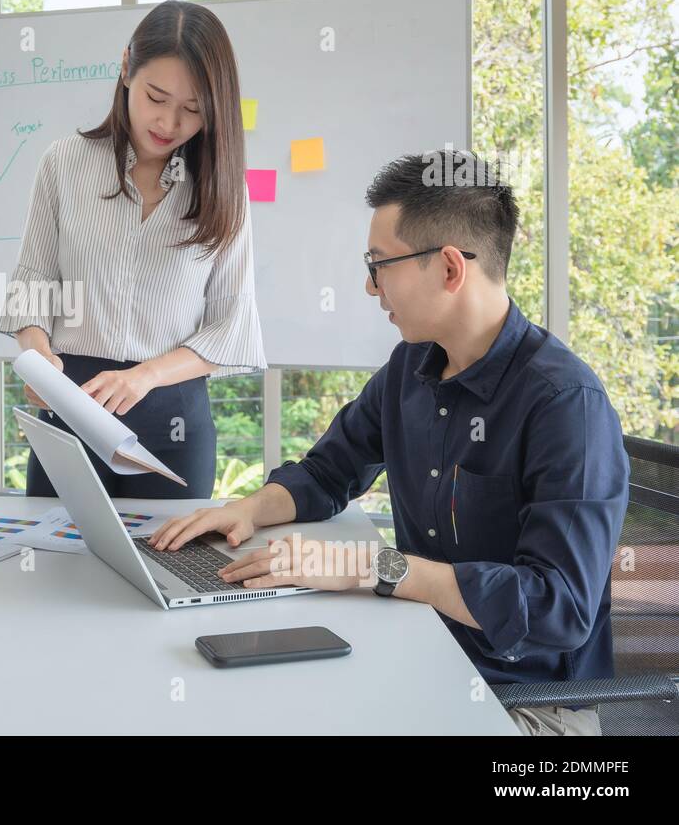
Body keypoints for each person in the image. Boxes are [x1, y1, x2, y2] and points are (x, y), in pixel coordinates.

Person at [150, 150, 628, 736]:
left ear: (450, 269)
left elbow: (559, 609)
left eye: (380, 264)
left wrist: (372, 565)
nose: (369, 284)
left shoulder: (565, 404)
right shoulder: (412, 368)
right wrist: (244, 512)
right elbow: (329, 472)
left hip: (527, 706)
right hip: (423, 655)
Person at [0, 0, 266, 499]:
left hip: (173, 417)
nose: (168, 122)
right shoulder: (66, 162)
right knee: (54, 567)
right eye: (156, 96)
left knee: (169, 572)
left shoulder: (225, 190)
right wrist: (36, 355)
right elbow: (33, 280)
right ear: (126, 69)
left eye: (193, 109)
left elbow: (232, 323)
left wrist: (145, 376)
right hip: (71, 403)